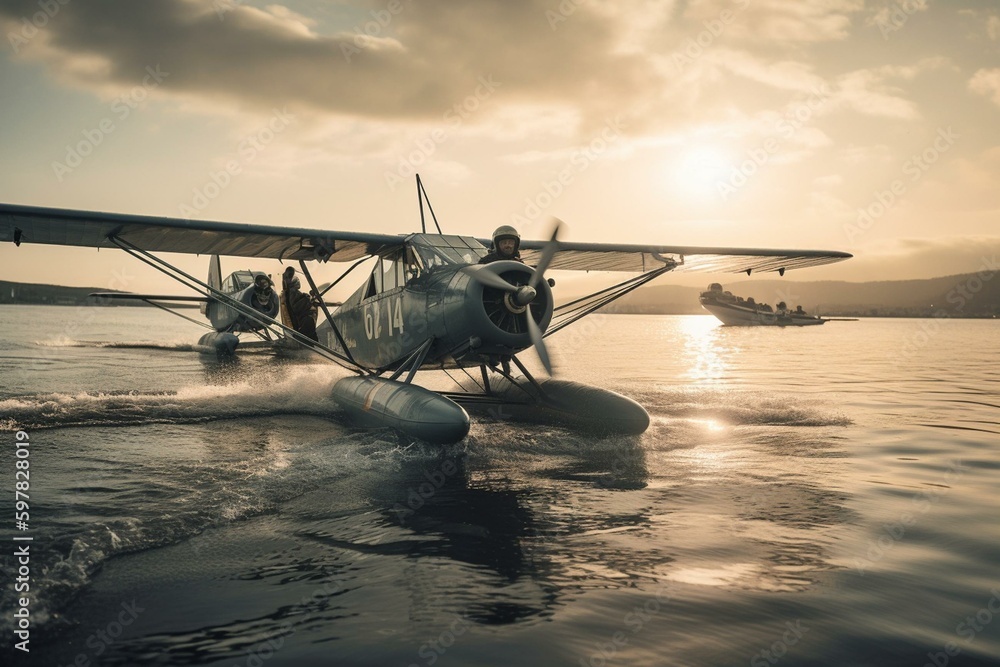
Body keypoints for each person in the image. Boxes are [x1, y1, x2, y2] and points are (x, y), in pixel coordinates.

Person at [281, 268, 318, 341]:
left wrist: (307, 297)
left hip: (302, 320)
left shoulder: (291, 292)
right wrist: (307, 299)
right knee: (309, 322)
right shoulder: (292, 292)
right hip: (302, 321)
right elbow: (296, 307)